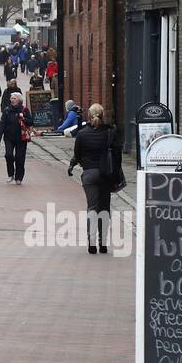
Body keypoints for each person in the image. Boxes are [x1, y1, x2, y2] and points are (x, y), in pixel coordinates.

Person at [67, 103, 124, 254]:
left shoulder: (82, 133)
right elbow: (118, 155)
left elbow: (77, 154)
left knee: (92, 207)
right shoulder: (111, 132)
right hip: (106, 175)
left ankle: (91, 244)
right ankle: (103, 244)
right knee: (104, 208)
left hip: (89, 175)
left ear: (89, 115)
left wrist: (72, 165)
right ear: (102, 114)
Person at [0, 91, 33, 185]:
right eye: (11, 98)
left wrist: (23, 118)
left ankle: (19, 177)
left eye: (14, 98)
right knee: (8, 155)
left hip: (21, 137)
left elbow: (31, 122)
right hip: (9, 137)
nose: (12, 100)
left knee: (19, 158)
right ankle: (11, 174)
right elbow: (2, 124)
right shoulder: (7, 110)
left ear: (19, 100)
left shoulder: (24, 110)